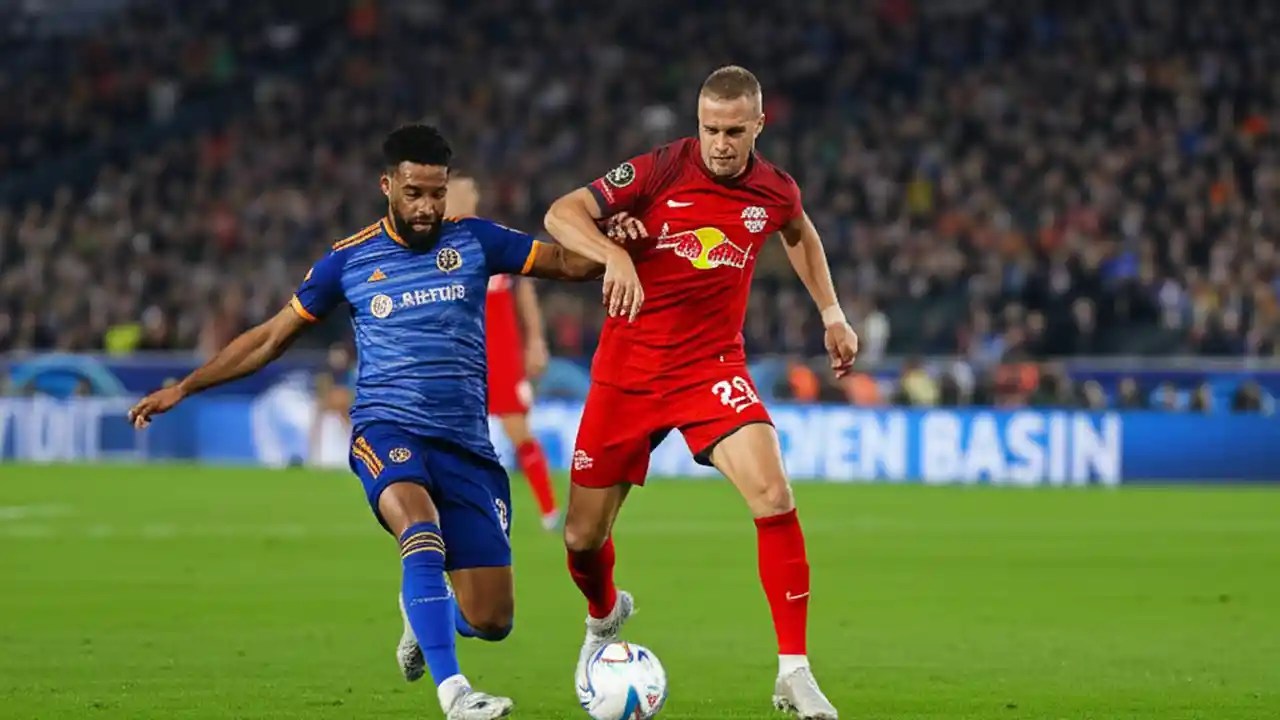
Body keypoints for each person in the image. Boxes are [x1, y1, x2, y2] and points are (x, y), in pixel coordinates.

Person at [129, 124, 612, 720]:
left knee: (492, 619)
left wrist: (620, 246)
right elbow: (272, 338)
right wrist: (187, 385)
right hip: (387, 430)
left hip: (466, 445)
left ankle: (423, 610)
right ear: (387, 186)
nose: (427, 207)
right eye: (414, 193)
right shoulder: (348, 261)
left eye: (436, 193)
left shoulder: (478, 242)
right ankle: (455, 692)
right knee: (419, 525)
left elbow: (566, 262)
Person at [543, 66, 857, 720]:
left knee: (774, 493)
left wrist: (831, 313)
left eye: (733, 130)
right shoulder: (658, 170)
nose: (718, 141)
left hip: (709, 367)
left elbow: (798, 232)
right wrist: (614, 254)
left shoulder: (774, 190)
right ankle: (603, 617)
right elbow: (561, 213)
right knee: (580, 538)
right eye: (709, 127)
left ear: (759, 126)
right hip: (626, 372)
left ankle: (793, 672)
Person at [446, 173, 562, 530]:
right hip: (459, 356)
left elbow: (523, 291)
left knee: (518, 432)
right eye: (455, 190)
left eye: (467, 189)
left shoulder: (491, 238)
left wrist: (536, 341)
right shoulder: (434, 244)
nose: (461, 195)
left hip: (503, 356)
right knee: (453, 436)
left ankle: (549, 512)